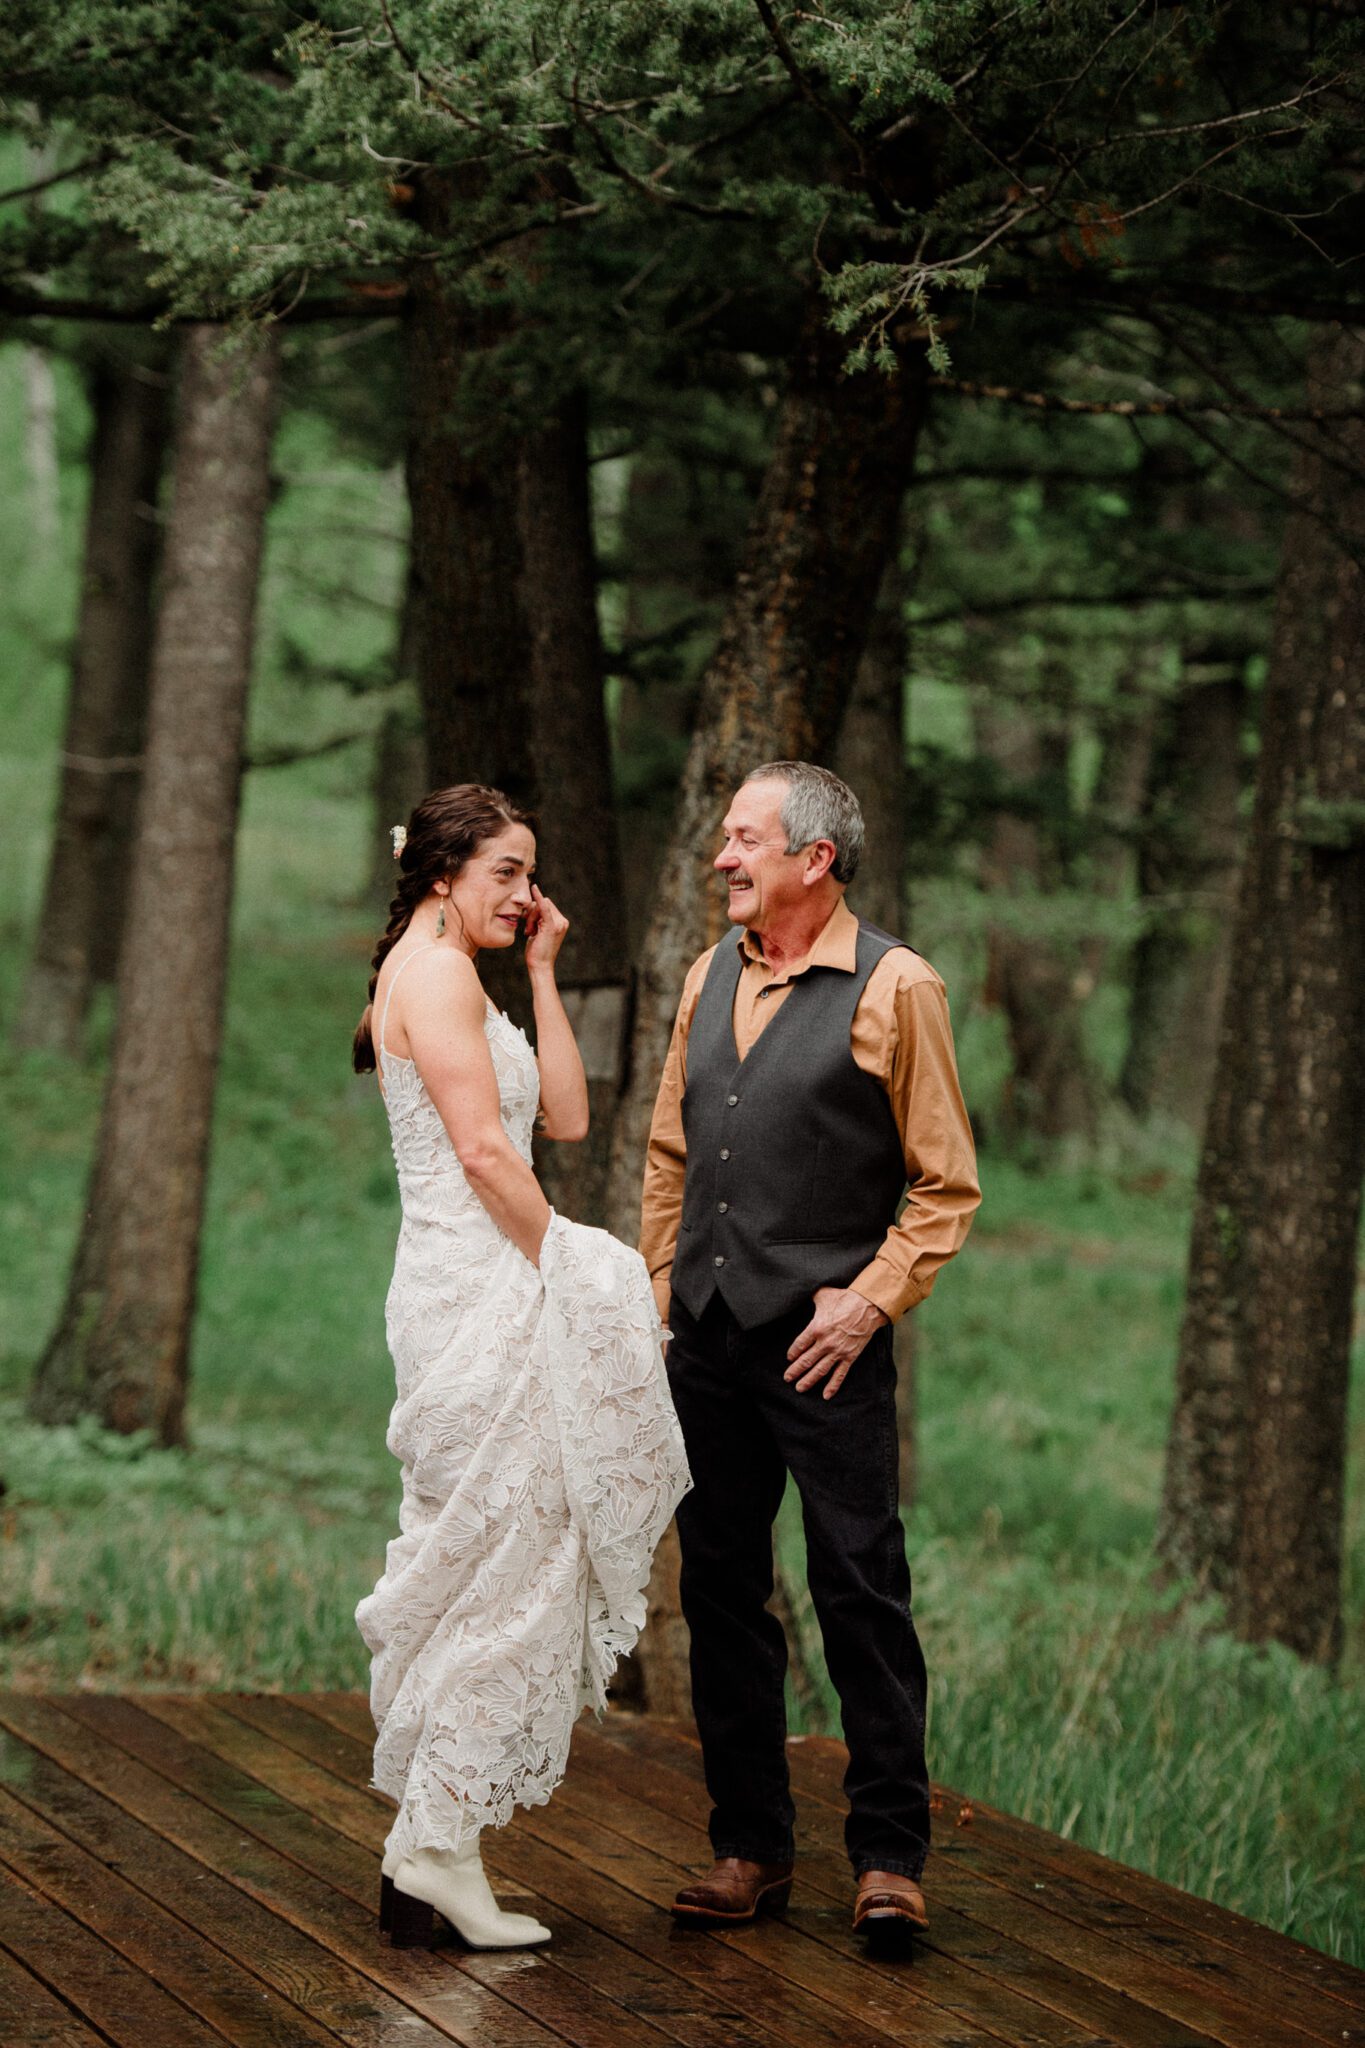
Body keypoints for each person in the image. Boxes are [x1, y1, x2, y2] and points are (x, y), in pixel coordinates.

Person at [640, 760, 980, 1947]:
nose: (723, 856)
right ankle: (750, 1847)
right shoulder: (706, 973)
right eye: (727, 837)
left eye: (745, 838)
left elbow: (946, 1186)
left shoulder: (899, 987)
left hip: (827, 1348)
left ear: (813, 859)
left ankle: (890, 1857)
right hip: (709, 1339)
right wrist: (657, 1296)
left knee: (858, 1588)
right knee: (725, 1591)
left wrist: (871, 1302)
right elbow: (673, 1154)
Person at [353, 783, 689, 1953]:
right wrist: (573, 1268)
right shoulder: (434, 973)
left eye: (531, 870)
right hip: (473, 1284)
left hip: (488, 1268)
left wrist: (543, 968)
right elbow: (486, 1149)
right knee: (515, 1547)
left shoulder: (463, 970)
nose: (525, 891)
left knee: (502, 1547)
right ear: (446, 868)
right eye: (507, 870)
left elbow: (563, 1113)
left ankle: (426, 1853)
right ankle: (439, 1844)